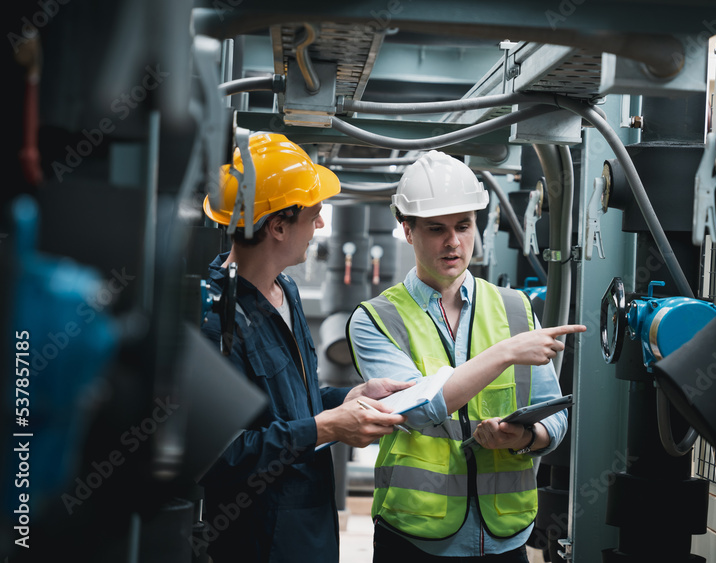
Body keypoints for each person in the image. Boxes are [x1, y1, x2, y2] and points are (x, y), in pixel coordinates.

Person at [347, 150, 586, 561]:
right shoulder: (376, 319)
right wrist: (506, 352)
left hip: (505, 535)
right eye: (436, 228)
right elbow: (419, 408)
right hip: (414, 536)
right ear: (407, 230)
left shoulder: (514, 308)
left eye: (463, 226)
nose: (453, 241)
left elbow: (555, 415)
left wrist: (527, 437)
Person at [197, 132, 412, 562]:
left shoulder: (286, 289)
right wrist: (328, 428)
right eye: (313, 214)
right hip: (255, 540)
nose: (319, 225)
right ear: (278, 226)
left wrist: (347, 398)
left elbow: (295, 403)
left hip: (310, 529)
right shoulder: (213, 317)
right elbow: (222, 454)